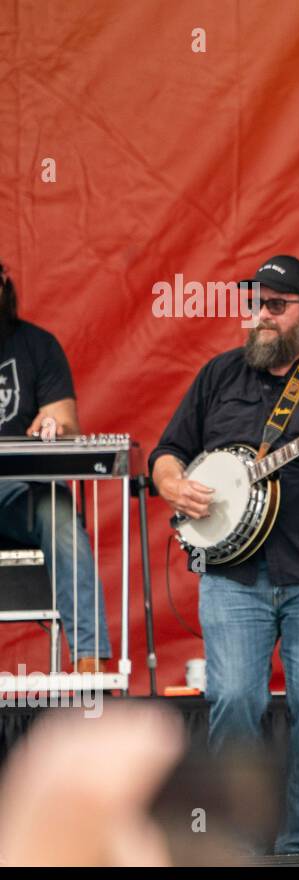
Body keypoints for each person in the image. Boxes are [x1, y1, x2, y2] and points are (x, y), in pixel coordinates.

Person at [149, 254, 299, 854]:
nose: (260, 316)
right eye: (255, 304)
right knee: (233, 700)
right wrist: (173, 484)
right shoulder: (218, 376)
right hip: (232, 575)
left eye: (275, 307)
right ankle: (235, 843)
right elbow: (167, 454)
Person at [0, 259, 113, 672]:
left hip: (18, 494)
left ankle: (89, 661)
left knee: (60, 514)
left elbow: (65, 422)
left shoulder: (36, 345)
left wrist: (53, 425)